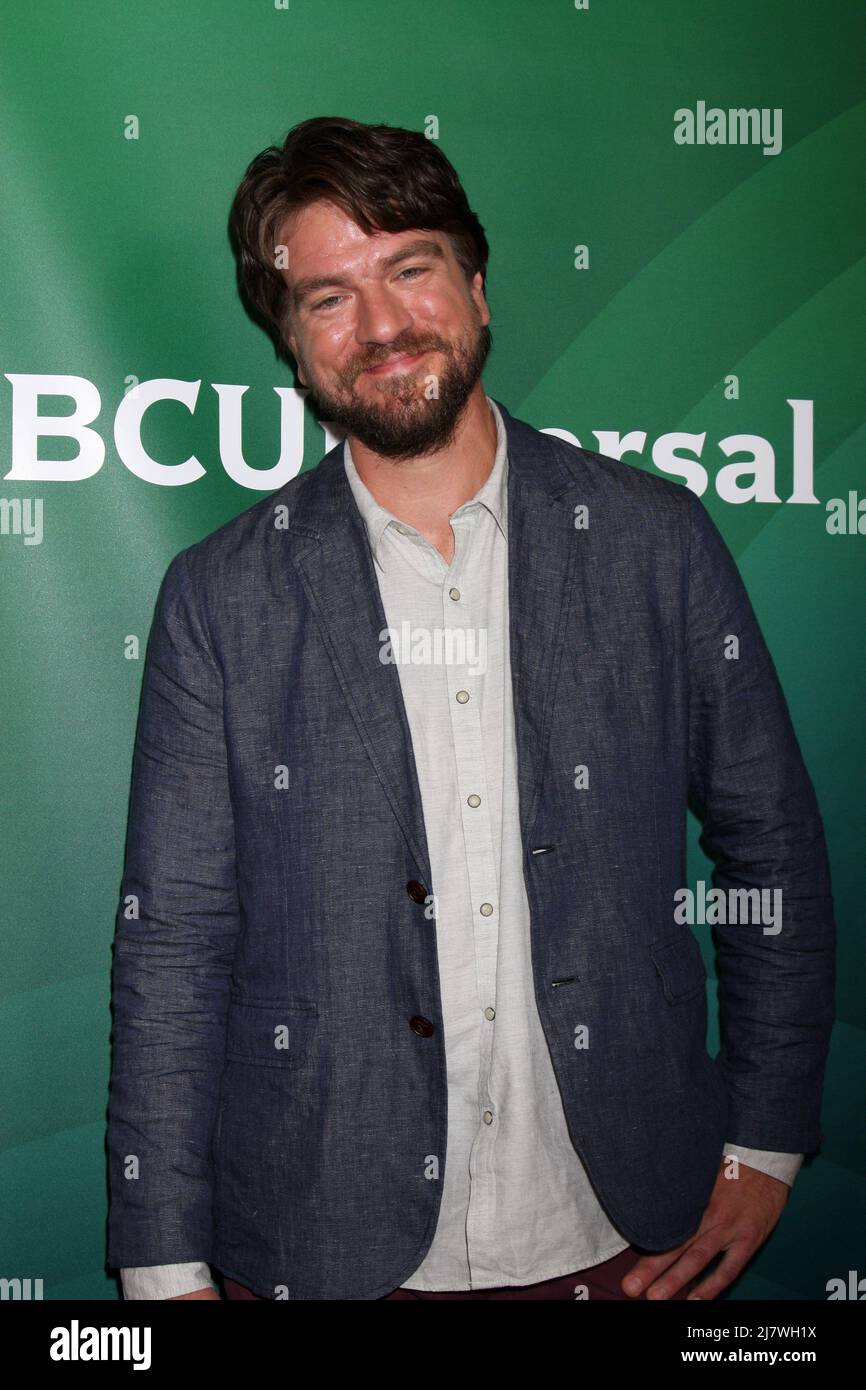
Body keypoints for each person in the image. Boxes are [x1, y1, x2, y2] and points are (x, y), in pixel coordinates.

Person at [107, 117, 835, 1302]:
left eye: (410, 268)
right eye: (329, 297)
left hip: (616, 1237)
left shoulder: (653, 541)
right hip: (313, 1248)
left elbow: (770, 851)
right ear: (289, 344)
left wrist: (764, 1142)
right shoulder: (220, 597)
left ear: (477, 286)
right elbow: (174, 941)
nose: (383, 326)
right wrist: (158, 1263)